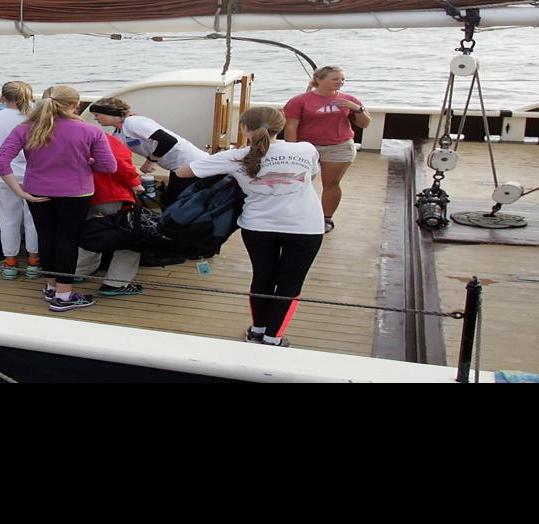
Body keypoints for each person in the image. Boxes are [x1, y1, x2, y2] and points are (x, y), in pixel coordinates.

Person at [174, 106, 322, 347]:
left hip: (258, 227)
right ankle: (273, 338)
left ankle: (257, 329)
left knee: (263, 276)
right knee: (290, 283)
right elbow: (311, 177)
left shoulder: (235, 157)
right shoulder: (306, 149)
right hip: (305, 226)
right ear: (280, 126)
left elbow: (183, 172)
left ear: (244, 128)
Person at [0, 85, 116, 312]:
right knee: (67, 241)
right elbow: (108, 166)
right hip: (76, 193)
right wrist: (90, 163)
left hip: (37, 191)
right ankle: (63, 295)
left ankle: (51, 286)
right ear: (75, 105)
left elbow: (1, 161)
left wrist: (18, 191)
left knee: (46, 238)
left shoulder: (26, 128)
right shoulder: (91, 131)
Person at [282, 66, 370, 234]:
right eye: (335, 79)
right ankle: (297, 215)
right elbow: (291, 126)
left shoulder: (349, 99)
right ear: (319, 80)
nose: (340, 82)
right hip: (307, 147)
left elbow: (365, 123)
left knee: (331, 183)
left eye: (342, 79)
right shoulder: (300, 101)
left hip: (339, 147)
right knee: (299, 182)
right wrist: (292, 150)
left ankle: (326, 218)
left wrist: (356, 108)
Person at [74, 99, 145, 297]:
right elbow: (120, 164)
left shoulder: (59, 134)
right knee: (130, 236)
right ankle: (116, 283)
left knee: (90, 232)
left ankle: (77, 271)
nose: (95, 118)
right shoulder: (99, 136)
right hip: (109, 193)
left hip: (81, 194)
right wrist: (135, 183)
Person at [87, 97, 212, 209]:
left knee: (175, 204)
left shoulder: (134, 122)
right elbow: (118, 157)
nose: (95, 118)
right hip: (177, 168)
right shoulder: (118, 134)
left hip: (192, 163)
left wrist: (150, 162)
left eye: (97, 114)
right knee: (170, 201)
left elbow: (168, 141)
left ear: (111, 113)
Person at [0, 80, 41, 280]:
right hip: (34, 175)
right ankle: (34, 260)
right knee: (33, 220)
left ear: (2, 97)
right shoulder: (36, 118)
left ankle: (10, 262)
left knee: (8, 219)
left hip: (3, 176)